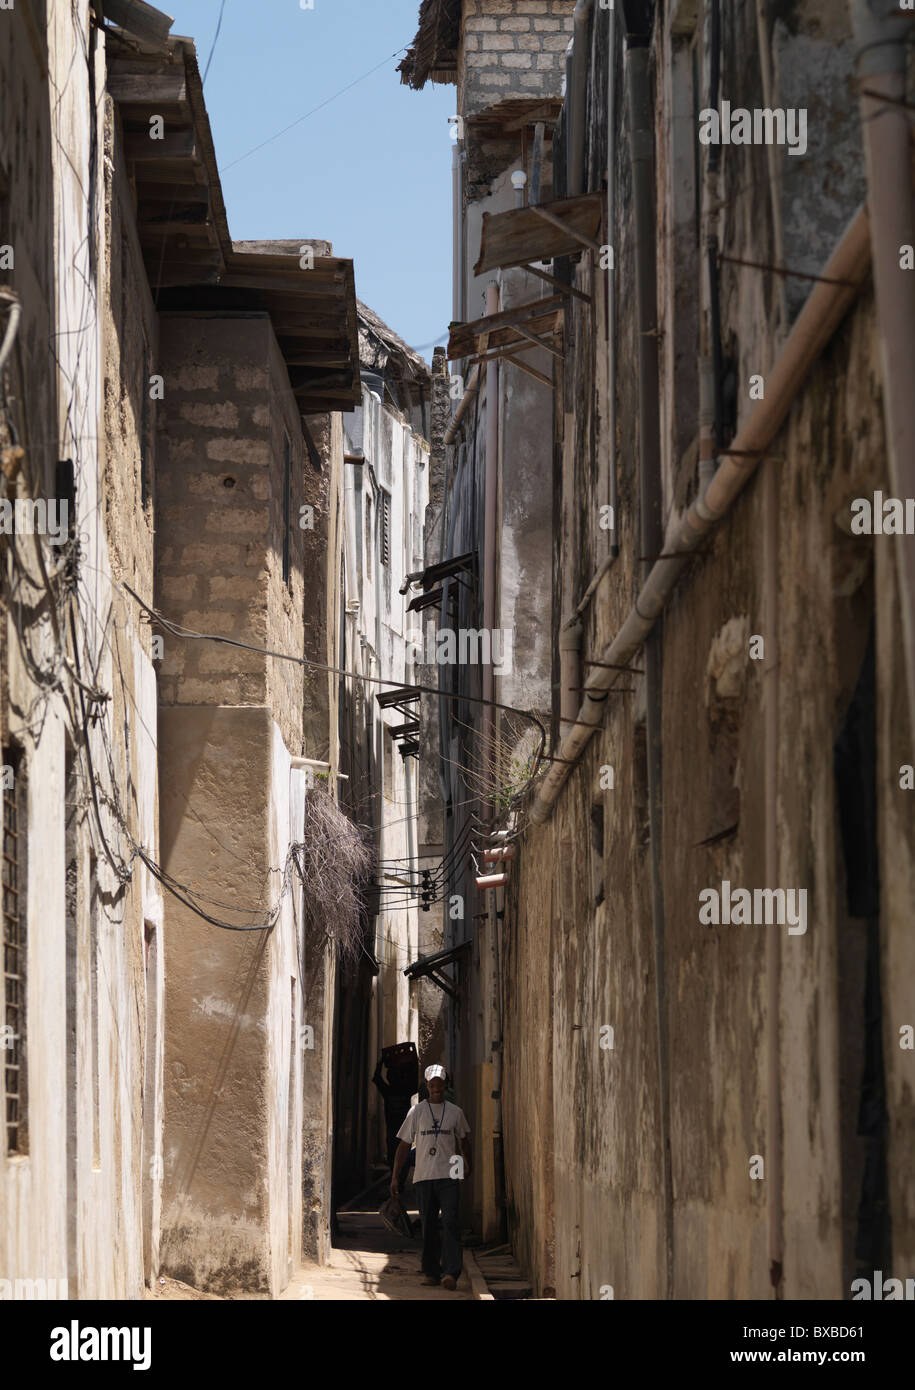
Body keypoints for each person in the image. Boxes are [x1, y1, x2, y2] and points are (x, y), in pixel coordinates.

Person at [391, 1064, 472, 1291]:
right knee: (428, 1225)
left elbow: (464, 1141)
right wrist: (395, 1176)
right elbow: (404, 1146)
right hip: (424, 1176)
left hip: (449, 1174)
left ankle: (450, 1272)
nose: (436, 1087)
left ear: (446, 1085)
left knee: (450, 1221)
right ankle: (431, 1271)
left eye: (440, 1083)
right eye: (432, 1083)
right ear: (427, 1086)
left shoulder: (456, 1112)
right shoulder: (416, 1112)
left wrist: (468, 1162)